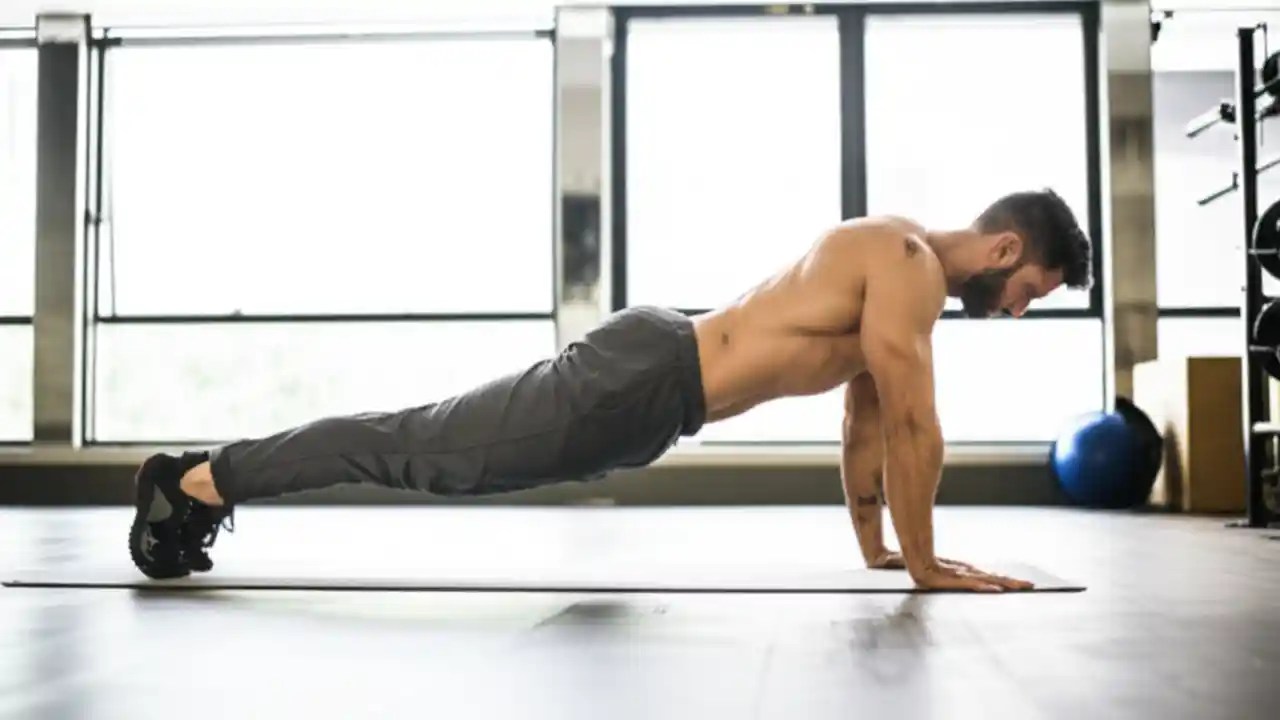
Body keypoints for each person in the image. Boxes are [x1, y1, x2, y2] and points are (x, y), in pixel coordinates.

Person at [128, 188, 1092, 592]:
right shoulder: (911, 264)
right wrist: (929, 565)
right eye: (1028, 294)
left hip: (650, 384)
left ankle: (202, 478)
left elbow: (867, 421)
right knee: (420, 448)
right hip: (642, 381)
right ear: (1005, 249)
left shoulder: (897, 271)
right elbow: (918, 423)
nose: (1014, 311)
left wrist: (883, 549)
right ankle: (194, 481)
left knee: (426, 448)